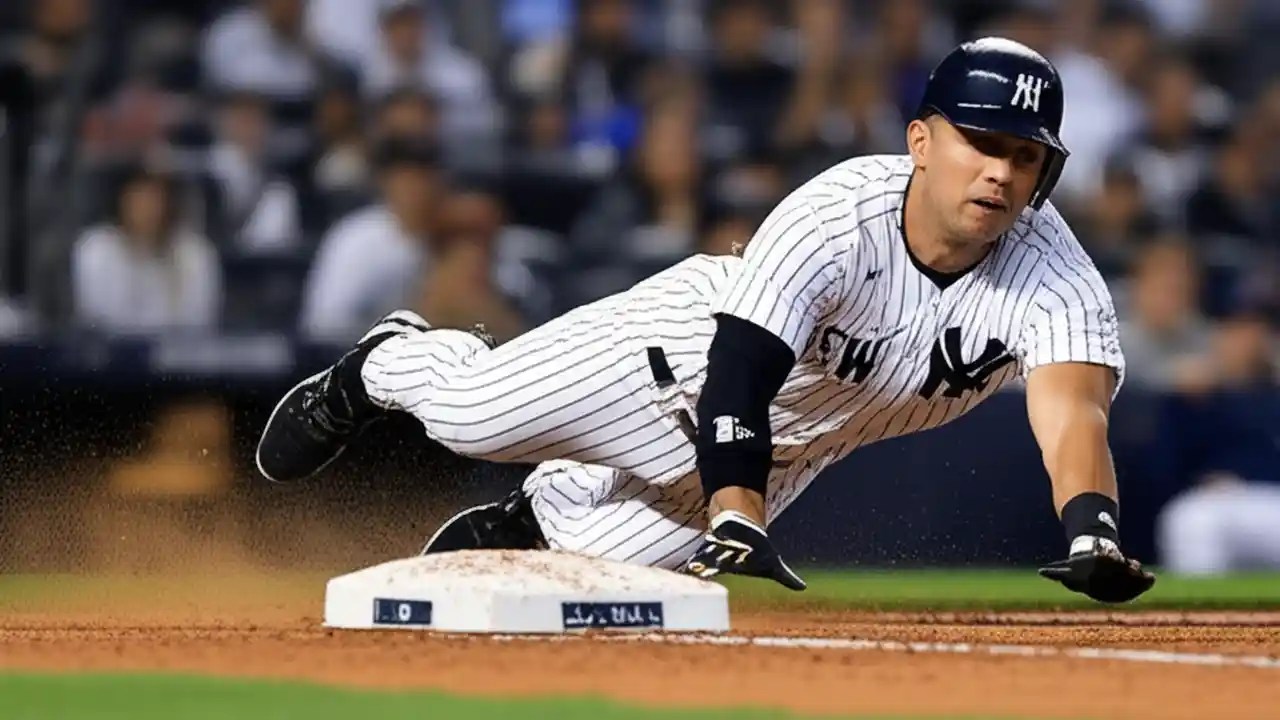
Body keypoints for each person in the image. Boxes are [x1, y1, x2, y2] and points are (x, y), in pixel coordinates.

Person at [257, 38, 1154, 604]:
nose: (1002, 171)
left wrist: (1093, 530)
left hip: (792, 449)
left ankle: (533, 520)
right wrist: (738, 508)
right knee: (470, 418)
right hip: (670, 360)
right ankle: (388, 360)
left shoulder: (1055, 275)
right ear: (922, 141)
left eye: (1025, 155)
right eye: (983, 143)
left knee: (589, 591)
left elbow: (1072, 413)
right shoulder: (837, 214)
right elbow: (740, 371)